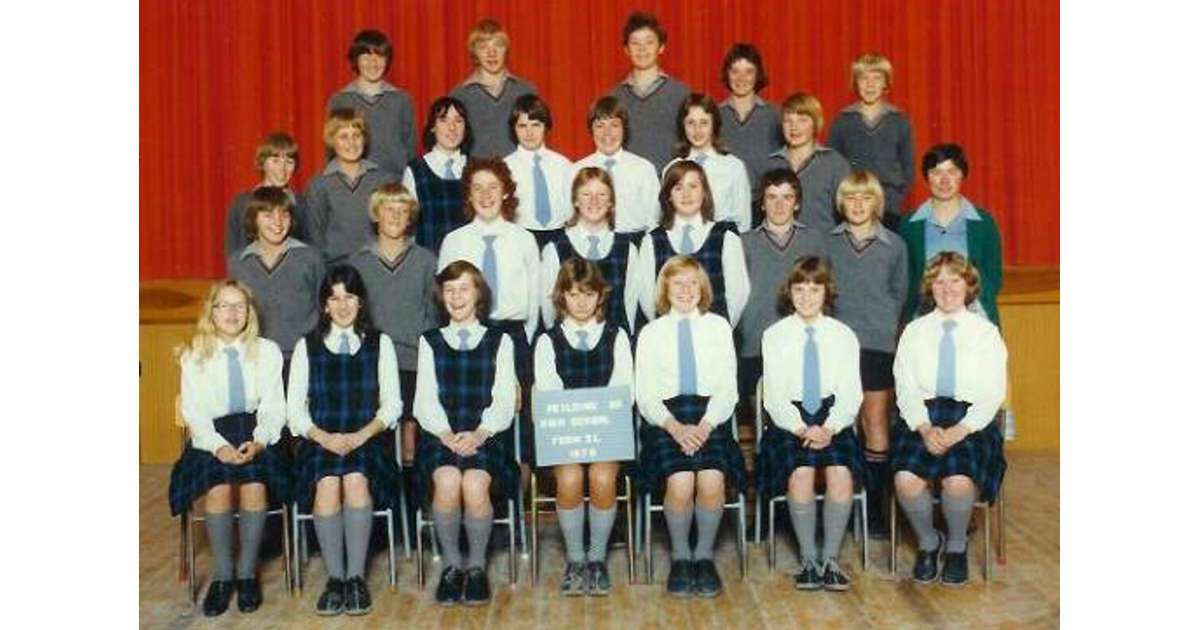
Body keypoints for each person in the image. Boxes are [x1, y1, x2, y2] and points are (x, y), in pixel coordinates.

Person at [168, 279, 291, 617]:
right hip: (212, 435)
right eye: (224, 305)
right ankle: (223, 577)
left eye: (240, 306)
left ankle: (248, 573)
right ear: (212, 312)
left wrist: (261, 440)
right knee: (218, 489)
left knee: (254, 486)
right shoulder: (195, 354)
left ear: (250, 312)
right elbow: (195, 413)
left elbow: (273, 406)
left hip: (255, 430)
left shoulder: (266, 351)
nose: (233, 313)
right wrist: (219, 447)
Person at [287, 265, 403, 616]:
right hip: (321, 441)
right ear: (324, 305)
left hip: (366, 439)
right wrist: (324, 438)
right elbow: (295, 410)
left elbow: (392, 404)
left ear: (360, 301)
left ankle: (356, 578)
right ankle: (335, 579)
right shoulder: (306, 346)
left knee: (354, 481)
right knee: (326, 485)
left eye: (349, 296)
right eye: (334, 298)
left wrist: (359, 436)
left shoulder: (379, 343)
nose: (342, 305)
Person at [892, 252, 1007, 587]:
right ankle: (929, 543)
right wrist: (924, 427)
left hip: (970, 419)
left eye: (955, 280)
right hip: (923, 416)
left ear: (968, 285)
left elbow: (991, 392)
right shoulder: (913, 331)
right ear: (930, 287)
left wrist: (959, 430)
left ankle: (956, 546)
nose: (947, 288)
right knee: (906, 480)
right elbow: (906, 385)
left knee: (957, 481)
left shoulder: (986, 334)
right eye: (939, 281)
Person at [636, 256, 745, 598]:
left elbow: (728, 387)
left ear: (703, 289)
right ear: (665, 289)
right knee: (681, 482)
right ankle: (681, 556)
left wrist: (705, 426)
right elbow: (645, 393)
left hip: (710, 418)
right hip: (666, 420)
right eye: (677, 282)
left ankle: (704, 556)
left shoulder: (718, 327)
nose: (685, 290)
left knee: (712, 480)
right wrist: (674, 427)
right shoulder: (651, 333)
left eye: (693, 283)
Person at [413, 261, 520, 606]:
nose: (457, 297)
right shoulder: (430, 341)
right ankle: (451, 566)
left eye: (464, 288)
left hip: (486, 434)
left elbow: (504, 398)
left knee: (474, 484)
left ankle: (476, 566)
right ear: (441, 297)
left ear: (478, 294)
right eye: (449, 290)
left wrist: (480, 433)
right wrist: (445, 434)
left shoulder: (500, 341)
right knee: (446, 481)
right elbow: (425, 400)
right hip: (441, 434)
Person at [758, 256, 864, 591]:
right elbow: (773, 396)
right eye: (799, 289)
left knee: (840, 473)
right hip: (791, 420)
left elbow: (851, 392)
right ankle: (808, 559)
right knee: (801, 473)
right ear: (788, 292)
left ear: (826, 292)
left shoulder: (843, 335)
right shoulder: (774, 335)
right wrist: (802, 428)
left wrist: (830, 427)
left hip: (833, 419)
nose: (806, 296)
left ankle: (830, 559)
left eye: (814, 289)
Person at [533, 259, 634, 596]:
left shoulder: (617, 335)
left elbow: (624, 390)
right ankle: (576, 560)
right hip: (565, 436)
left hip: (607, 432)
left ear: (600, 296)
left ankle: (597, 558)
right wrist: (579, 419)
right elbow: (549, 394)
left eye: (588, 294)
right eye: (573, 294)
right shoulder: (548, 341)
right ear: (562, 296)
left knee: (603, 478)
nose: (581, 302)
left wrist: (596, 416)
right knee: (572, 477)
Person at [437, 158, 541, 463]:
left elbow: (534, 299)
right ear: (468, 195)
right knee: (473, 417)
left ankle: (514, 498)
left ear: (506, 192)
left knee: (517, 421)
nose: (485, 195)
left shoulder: (523, 238)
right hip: (470, 339)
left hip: (514, 334)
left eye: (493, 187)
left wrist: (526, 342)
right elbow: (447, 299)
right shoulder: (454, 240)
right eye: (477, 188)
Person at [824, 170, 909, 538]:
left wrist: (885, 326)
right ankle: (843, 503)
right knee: (842, 421)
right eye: (851, 198)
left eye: (866, 198)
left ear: (877, 202)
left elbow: (900, 293)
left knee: (875, 423)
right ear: (841, 203)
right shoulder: (827, 243)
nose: (858, 205)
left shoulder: (895, 245)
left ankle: (874, 506)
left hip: (877, 344)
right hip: (838, 345)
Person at [348, 183, 439, 467]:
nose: (396, 216)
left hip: (413, 360)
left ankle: (411, 508)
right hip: (372, 362)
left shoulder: (426, 260)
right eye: (389, 209)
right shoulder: (358, 261)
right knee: (379, 441)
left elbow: (434, 315)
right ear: (376, 214)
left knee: (410, 442)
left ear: (411, 217)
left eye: (403, 210)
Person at [736, 169, 825, 426]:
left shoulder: (814, 240)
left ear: (797, 203)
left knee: (803, 424)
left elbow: (824, 291)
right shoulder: (744, 242)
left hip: (802, 345)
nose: (779, 204)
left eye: (787, 197)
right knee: (765, 426)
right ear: (761, 203)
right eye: (772, 197)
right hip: (756, 343)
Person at [898, 143, 1003, 325]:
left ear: (962, 175)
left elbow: (994, 276)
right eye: (936, 172)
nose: (945, 180)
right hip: (924, 320)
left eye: (952, 172)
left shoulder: (983, 222)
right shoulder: (908, 226)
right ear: (927, 177)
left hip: (974, 319)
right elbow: (904, 279)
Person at [638, 161, 750, 327]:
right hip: (668, 335)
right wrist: (663, 330)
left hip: (714, 337)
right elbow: (647, 297)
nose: (686, 194)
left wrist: (720, 331)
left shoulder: (725, 236)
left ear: (704, 192)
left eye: (693, 186)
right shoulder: (652, 240)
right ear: (668, 195)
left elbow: (738, 293)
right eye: (678, 188)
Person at [227, 186, 324, 374]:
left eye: (284, 215)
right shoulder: (238, 263)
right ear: (253, 219)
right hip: (256, 359)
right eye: (268, 215)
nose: (278, 223)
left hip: (304, 358)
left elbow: (324, 307)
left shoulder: (310, 257)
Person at [540, 167, 641, 334]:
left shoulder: (627, 249)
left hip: (613, 347)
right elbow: (549, 311)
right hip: (567, 347)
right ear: (575, 201)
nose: (594, 201)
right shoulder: (555, 249)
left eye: (602, 195)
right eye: (586, 194)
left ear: (611, 202)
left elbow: (629, 307)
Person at [827, 53, 915, 230]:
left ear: (886, 83)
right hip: (852, 206)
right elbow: (832, 165)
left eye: (877, 78)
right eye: (863, 78)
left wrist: (894, 199)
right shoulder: (842, 121)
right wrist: (846, 200)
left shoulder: (899, 120)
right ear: (855, 83)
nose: (870, 84)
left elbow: (908, 168)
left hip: (889, 207)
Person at [306, 109, 400, 264]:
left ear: (364, 139)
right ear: (331, 140)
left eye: (356, 135)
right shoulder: (319, 184)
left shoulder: (384, 179)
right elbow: (316, 239)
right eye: (343, 137)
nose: (351, 143)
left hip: (377, 265)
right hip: (337, 269)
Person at [326, 29, 418, 177]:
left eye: (379, 56)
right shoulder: (340, 100)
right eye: (366, 57)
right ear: (356, 60)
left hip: (394, 186)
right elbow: (331, 153)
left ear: (387, 60)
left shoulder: (402, 100)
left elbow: (411, 150)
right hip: (354, 185)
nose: (373, 63)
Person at [609, 11, 691, 172]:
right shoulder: (614, 97)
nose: (642, 49)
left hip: (670, 188)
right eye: (635, 43)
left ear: (661, 47)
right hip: (628, 187)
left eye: (649, 42)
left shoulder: (681, 94)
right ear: (626, 49)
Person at [571, 96, 661, 241]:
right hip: (590, 242)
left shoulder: (644, 169)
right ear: (591, 130)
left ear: (624, 129)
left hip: (635, 241)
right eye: (600, 126)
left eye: (614, 125)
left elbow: (654, 218)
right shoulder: (575, 170)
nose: (607, 133)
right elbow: (571, 218)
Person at [765, 92, 852, 236]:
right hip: (780, 249)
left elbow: (847, 214)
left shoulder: (835, 163)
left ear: (816, 123)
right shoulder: (771, 163)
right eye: (788, 121)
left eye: (802, 120)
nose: (794, 127)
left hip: (821, 251)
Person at [664, 93, 753, 232]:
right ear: (682, 125)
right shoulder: (672, 167)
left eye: (704, 122)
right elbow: (667, 218)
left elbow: (743, 222)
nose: (697, 130)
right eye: (691, 123)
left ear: (714, 125)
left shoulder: (734, 167)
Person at [451, 18, 538, 158]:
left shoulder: (525, 91)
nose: (492, 53)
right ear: (474, 53)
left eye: (498, 45)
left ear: (506, 49)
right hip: (477, 175)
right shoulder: (460, 95)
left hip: (519, 175)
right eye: (483, 47)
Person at [402, 97, 473, 254]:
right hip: (429, 262)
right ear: (433, 127)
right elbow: (408, 228)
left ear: (465, 127)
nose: (452, 127)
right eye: (443, 120)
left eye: (458, 121)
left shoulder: (476, 169)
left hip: (469, 263)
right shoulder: (415, 171)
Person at [503, 94, 573, 248]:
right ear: (513, 129)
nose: (529, 133)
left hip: (561, 236)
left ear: (546, 126)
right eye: (522, 126)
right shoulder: (505, 167)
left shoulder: (564, 165)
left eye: (535, 125)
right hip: (520, 236)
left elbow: (573, 206)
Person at [223, 132, 308, 258]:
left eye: (289, 162)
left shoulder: (303, 205)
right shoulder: (242, 203)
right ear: (263, 163)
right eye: (275, 160)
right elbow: (235, 253)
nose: (282, 169)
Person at [717, 43, 782, 194]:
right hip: (726, 200)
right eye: (735, 71)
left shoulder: (774, 114)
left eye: (749, 72)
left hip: (766, 200)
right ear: (727, 74)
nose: (741, 78)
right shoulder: (714, 115)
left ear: (758, 74)